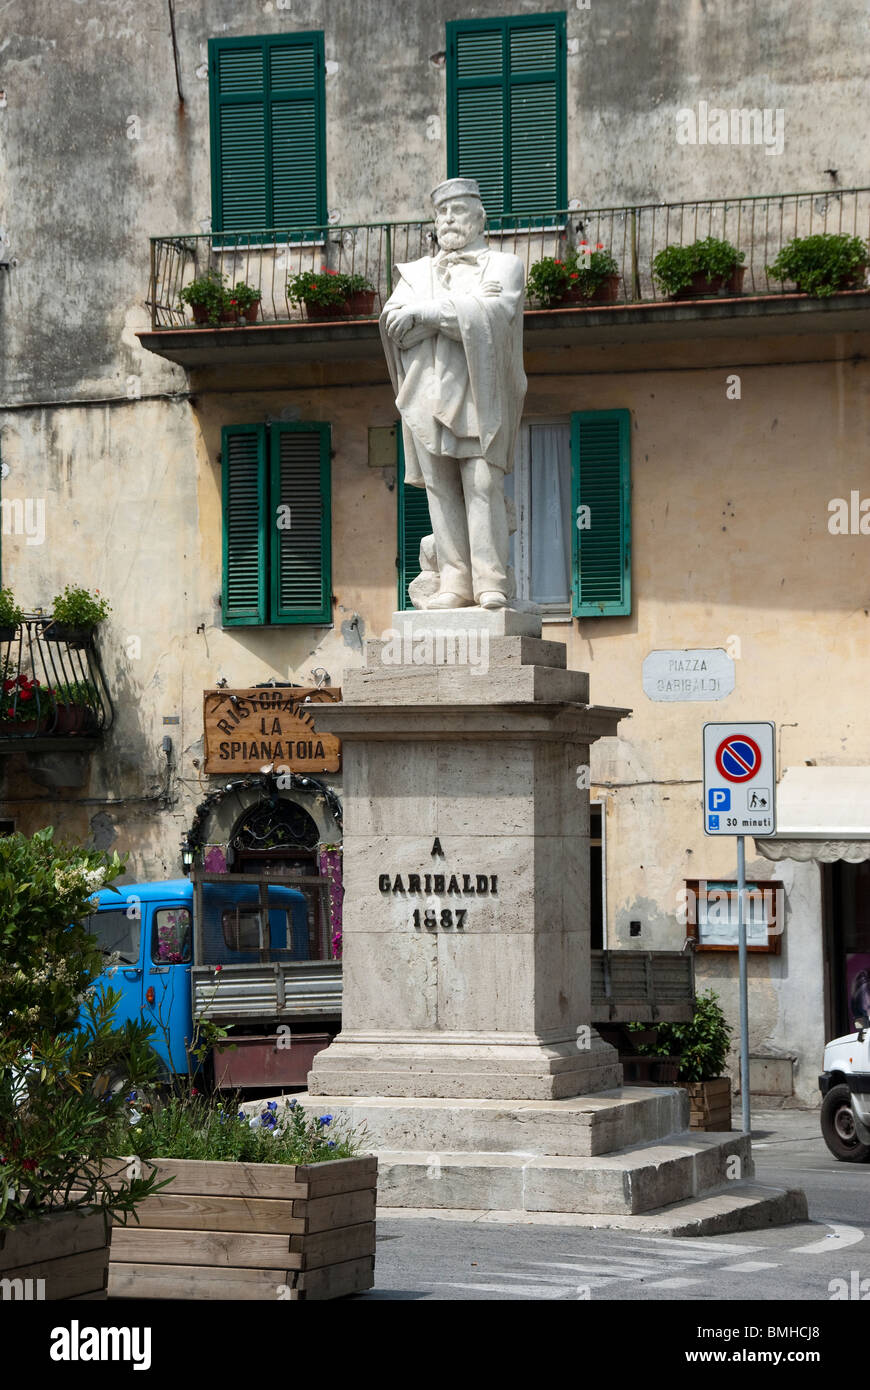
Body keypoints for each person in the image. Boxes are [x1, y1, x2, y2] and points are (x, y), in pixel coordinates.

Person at [379, 177, 527, 610]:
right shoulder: (416, 273)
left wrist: (425, 312)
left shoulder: (504, 266)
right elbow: (393, 324)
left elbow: (496, 312)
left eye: (458, 211)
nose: (447, 220)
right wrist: (461, 310)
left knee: (482, 483)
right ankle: (454, 582)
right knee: (440, 490)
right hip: (425, 392)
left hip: (480, 393)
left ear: (480, 218)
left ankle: (490, 581)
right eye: (441, 213)